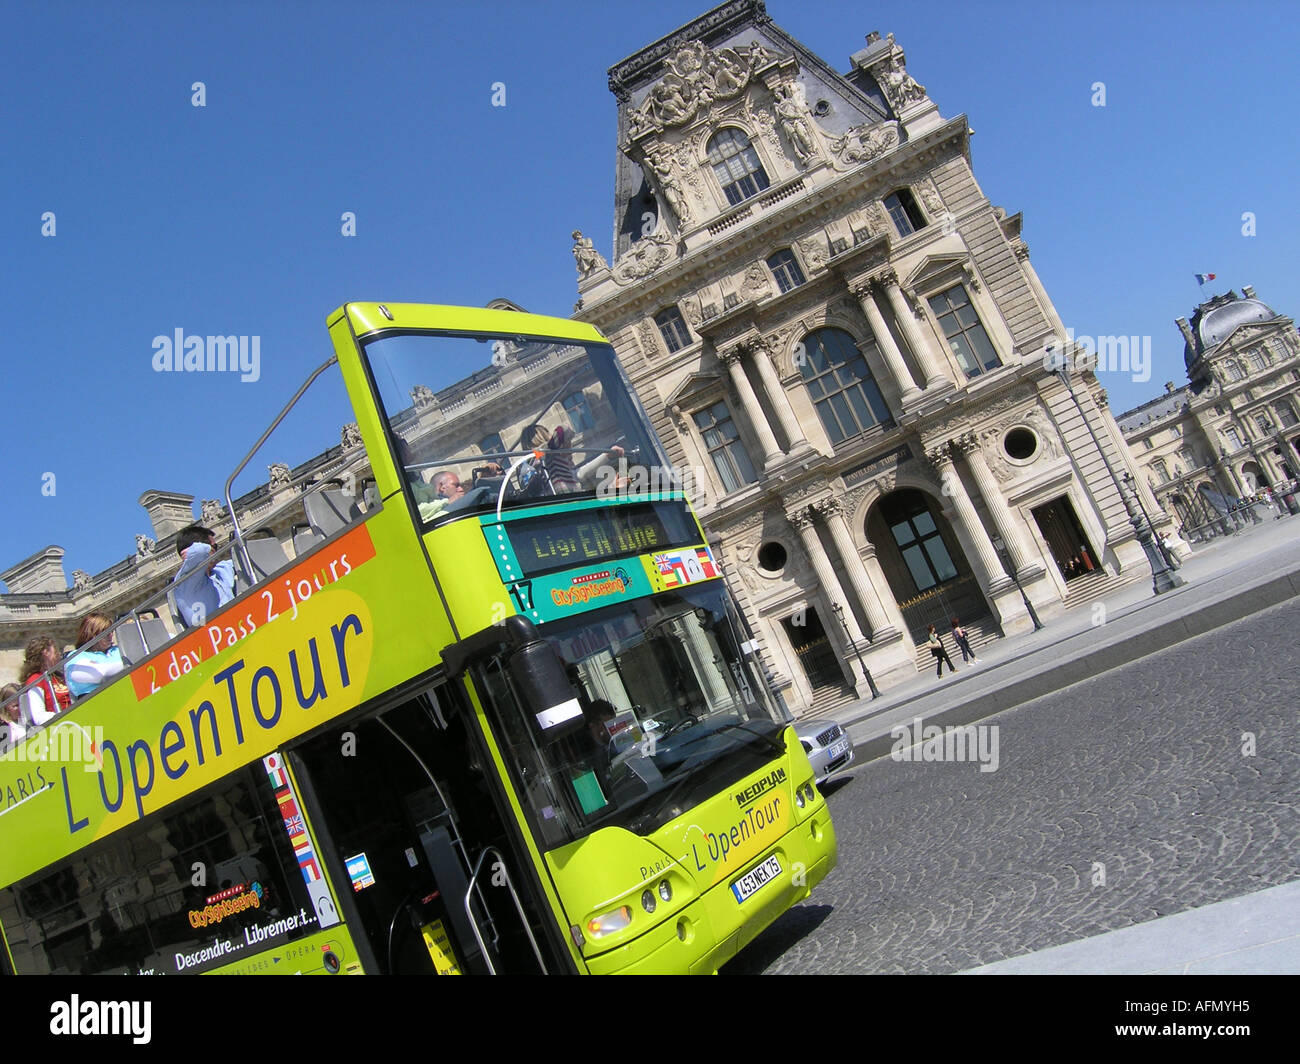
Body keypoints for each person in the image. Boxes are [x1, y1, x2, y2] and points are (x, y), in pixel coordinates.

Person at [172, 525, 236, 629]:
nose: (216, 552)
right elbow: (199, 552)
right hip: (215, 636)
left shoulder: (219, 572)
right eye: (215, 547)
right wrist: (207, 548)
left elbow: (242, 558)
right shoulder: (185, 582)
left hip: (238, 625)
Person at [66, 613, 125, 699]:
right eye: (107, 632)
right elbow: (100, 674)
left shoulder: (116, 650)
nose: (111, 636)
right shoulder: (75, 656)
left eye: (111, 631)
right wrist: (128, 662)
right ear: (92, 635)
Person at [20, 635, 71, 725]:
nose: (59, 654)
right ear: (45, 653)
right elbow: (39, 717)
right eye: (56, 650)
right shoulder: (36, 679)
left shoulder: (58, 676)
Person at [0, 684, 26, 750]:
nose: (20, 708)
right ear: (5, 708)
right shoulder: (5, 730)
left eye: (22, 703)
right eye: (15, 706)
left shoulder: (32, 718)